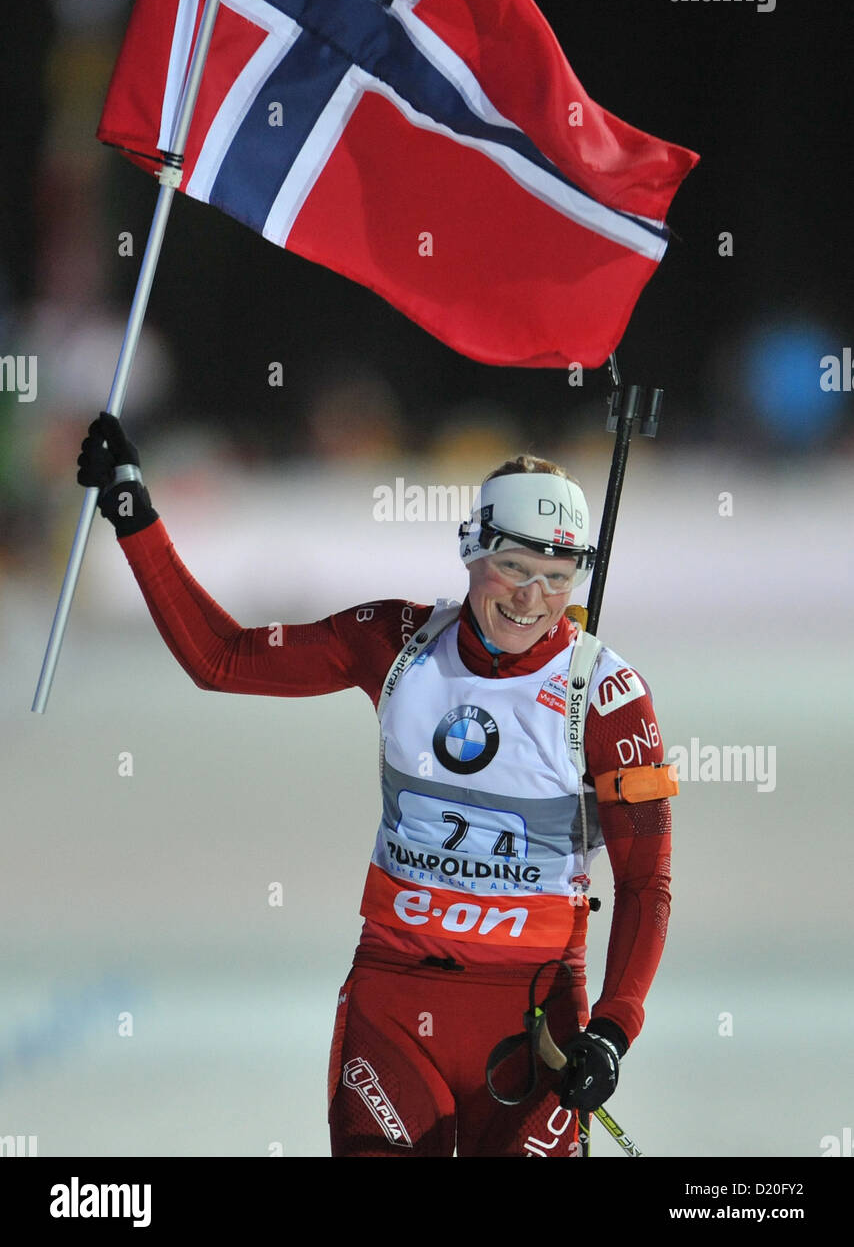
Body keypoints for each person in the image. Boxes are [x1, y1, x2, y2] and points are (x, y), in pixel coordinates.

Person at [77, 411, 676, 1158]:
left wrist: (614, 1029)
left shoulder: (609, 696)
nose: (531, 599)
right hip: (395, 1004)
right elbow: (220, 659)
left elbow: (646, 882)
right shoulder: (397, 642)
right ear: (471, 550)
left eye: (557, 578)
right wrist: (132, 511)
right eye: (514, 568)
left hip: (534, 1020)